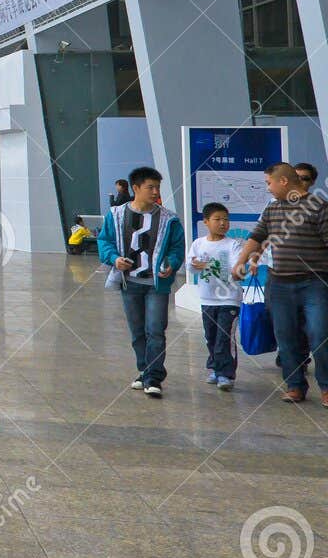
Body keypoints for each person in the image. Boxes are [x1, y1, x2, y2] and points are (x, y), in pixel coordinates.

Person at [237, 163, 328, 405]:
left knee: (320, 335)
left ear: (284, 182)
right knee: (286, 337)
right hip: (279, 284)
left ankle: (327, 386)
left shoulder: (319, 207)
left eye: (270, 183)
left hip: (314, 284)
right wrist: (241, 262)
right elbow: (256, 237)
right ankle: (295, 385)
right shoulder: (272, 210)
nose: (268, 188)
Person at [97, 165, 184, 397]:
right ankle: (144, 369)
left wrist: (171, 263)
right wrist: (115, 259)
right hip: (130, 283)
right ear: (135, 188)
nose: (155, 192)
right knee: (137, 331)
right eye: (150, 187)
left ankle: (154, 377)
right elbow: (104, 241)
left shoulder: (169, 219)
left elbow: (177, 248)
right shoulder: (116, 215)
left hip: (157, 285)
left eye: (157, 187)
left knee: (155, 328)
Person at [189, 202, 243, 391]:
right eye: (218, 219)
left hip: (229, 299)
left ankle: (226, 374)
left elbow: (236, 268)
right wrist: (195, 265)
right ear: (206, 221)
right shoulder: (198, 244)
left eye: (226, 220)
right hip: (207, 298)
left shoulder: (232, 244)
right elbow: (191, 267)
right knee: (210, 336)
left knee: (224, 336)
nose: (223, 223)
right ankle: (215, 367)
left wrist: (210, 265)